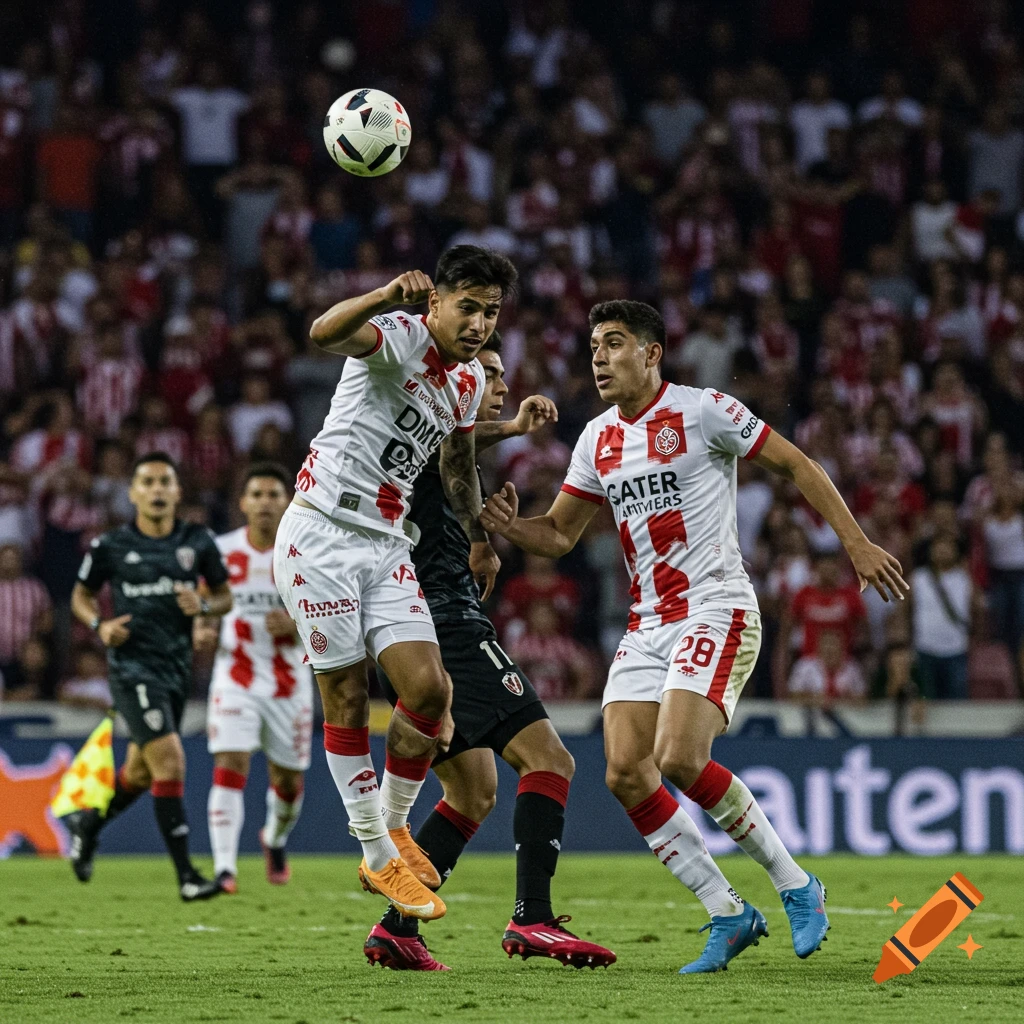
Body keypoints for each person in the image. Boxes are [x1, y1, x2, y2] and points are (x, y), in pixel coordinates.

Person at [481, 300, 908, 974]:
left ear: (652, 353)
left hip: (716, 608)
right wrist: (507, 525)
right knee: (624, 770)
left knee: (679, 757)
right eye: (593, 345)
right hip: (648, 623)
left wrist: (854, 543)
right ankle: (727, 911)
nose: (598, 356)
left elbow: (797, 464)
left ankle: (799, 885)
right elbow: (559, 534)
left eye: (614, 343)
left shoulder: (705, 409)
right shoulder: (596, 439)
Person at [274, 245, 512, 923]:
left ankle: (394, 827)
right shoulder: (398, 337)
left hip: (385, 542)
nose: (478, 323)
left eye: (489, 312)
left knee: (431, 691)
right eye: (467, 306)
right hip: (320, 531)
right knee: (346, 695)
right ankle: (377, 853)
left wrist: (477, 538)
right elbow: (321, 333)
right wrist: (381, 294)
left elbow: (459, 465)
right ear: (434, 301)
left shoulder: (468, 383)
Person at [365, 336, 615, 971]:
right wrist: (509, 428)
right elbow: (449, 441)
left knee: (474, 790)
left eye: (503, 375)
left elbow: (451, 465)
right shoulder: (433, 423)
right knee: (550, 760)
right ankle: (533, 919)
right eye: (491, 374)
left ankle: (398, 929)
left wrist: (482, 533)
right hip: (440, 619)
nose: (501, 384)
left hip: (422, 617)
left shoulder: (441, 445)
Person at [65, 453, 233, 900]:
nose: (157, 490)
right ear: (134, 492)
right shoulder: (110, 546)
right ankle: (187, 878)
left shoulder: (197, 541)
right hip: (132, 669)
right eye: (148, 482)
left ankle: (88, 822)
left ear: (177, 492)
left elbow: (223, 598)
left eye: (165, 482)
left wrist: (201, 608)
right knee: (170, 761)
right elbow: (79, 597)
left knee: (140, 772)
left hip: (175, 670)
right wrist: (99, 626)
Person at [196, 463, 313, 893]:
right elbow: (202, 606)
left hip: (288, 684)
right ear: (243, 503)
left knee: (287, 781)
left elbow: (338, 618)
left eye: (273, 495)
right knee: (231, 761)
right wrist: (202, 630)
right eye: (257, 495)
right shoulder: (221, 551)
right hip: (235, 677)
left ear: (288, 501)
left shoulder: (307, 552)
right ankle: (225, 869)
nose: (265, 502)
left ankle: (274, 838)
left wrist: (299, 625)